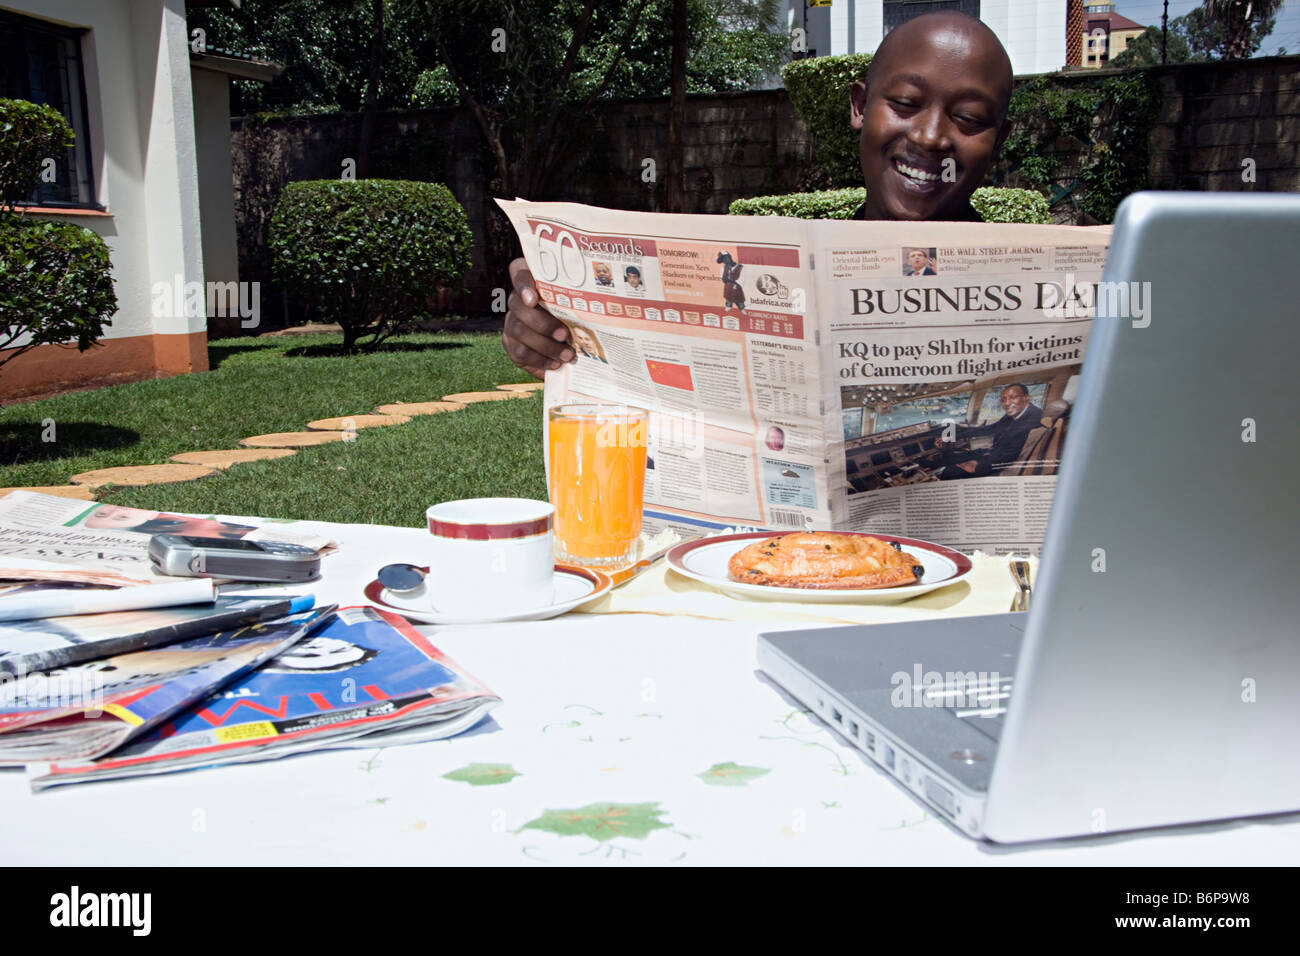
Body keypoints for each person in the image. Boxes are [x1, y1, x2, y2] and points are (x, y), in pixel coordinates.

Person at [502, 11, 1014, 377]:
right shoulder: (782, 272)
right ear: (860, 106)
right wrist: (551, 326)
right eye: (905, 103)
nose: (929, 137)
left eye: (968, 118)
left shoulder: (1052, 292)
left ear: (999, 140)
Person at [937, 384, 1043, 479]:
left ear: (1026, 398)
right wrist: (952, 437)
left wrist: (977, 466)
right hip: (994, 452)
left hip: (999, 460)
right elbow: (989, 429)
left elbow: (1010, 455)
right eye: (1003, 399)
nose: (1007, 403)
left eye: (1013, 397)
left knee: (950, 471)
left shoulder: (1033, 418)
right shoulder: (1015, 414)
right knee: (953, 458)